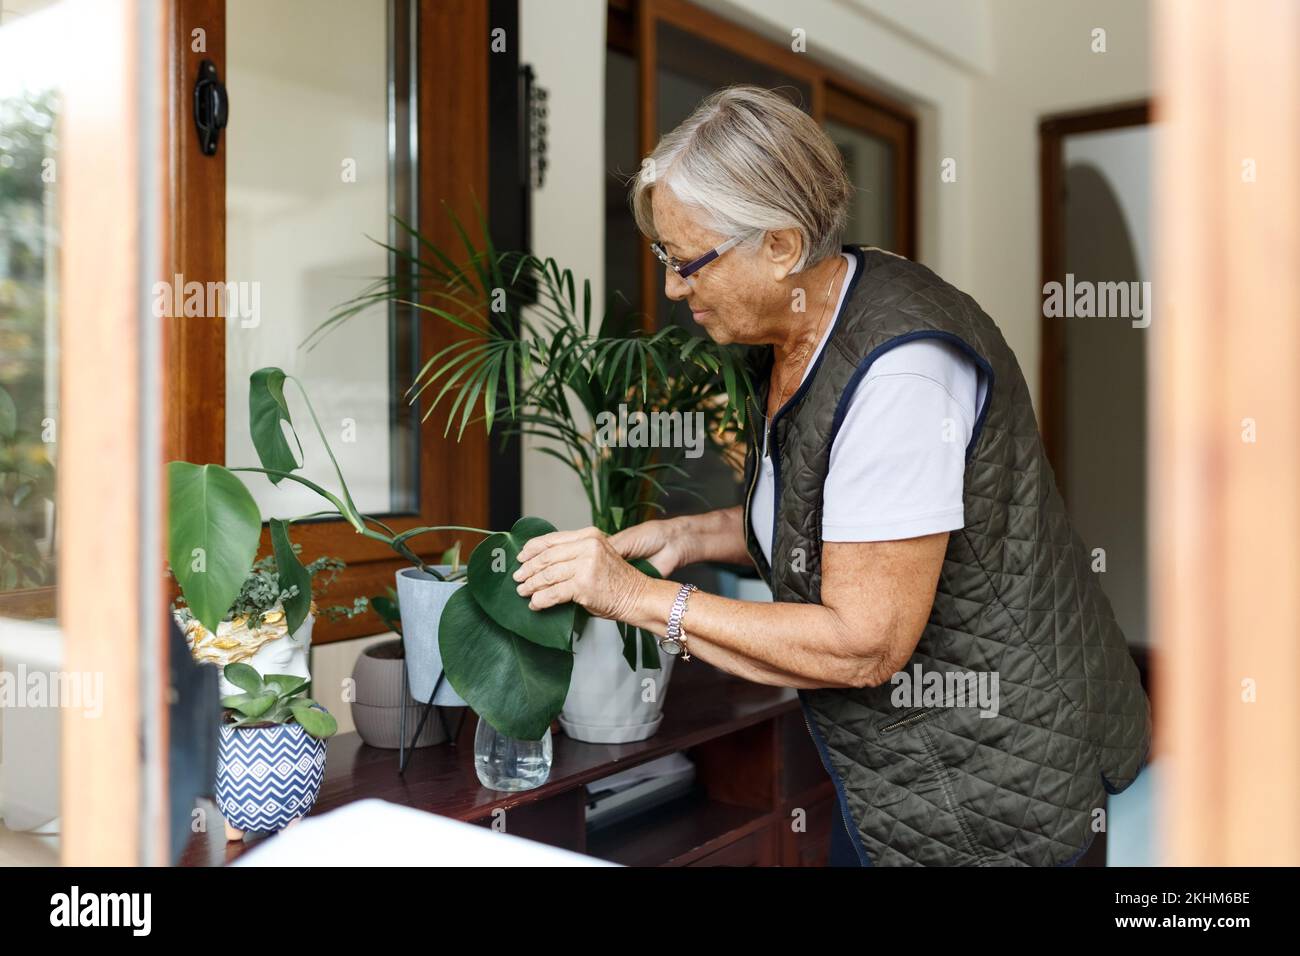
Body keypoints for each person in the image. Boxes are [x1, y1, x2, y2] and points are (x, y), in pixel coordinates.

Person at [512, 85, 1151, 866]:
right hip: (894, 778)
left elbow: (863, 643)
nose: (675, 288)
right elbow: (830, 518)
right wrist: (690, 535)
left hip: (994, 787)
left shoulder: (900, 378)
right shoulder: (806, 320)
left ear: (781, 245)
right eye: (664, 259)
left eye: (688, 264)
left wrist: (634, 598)